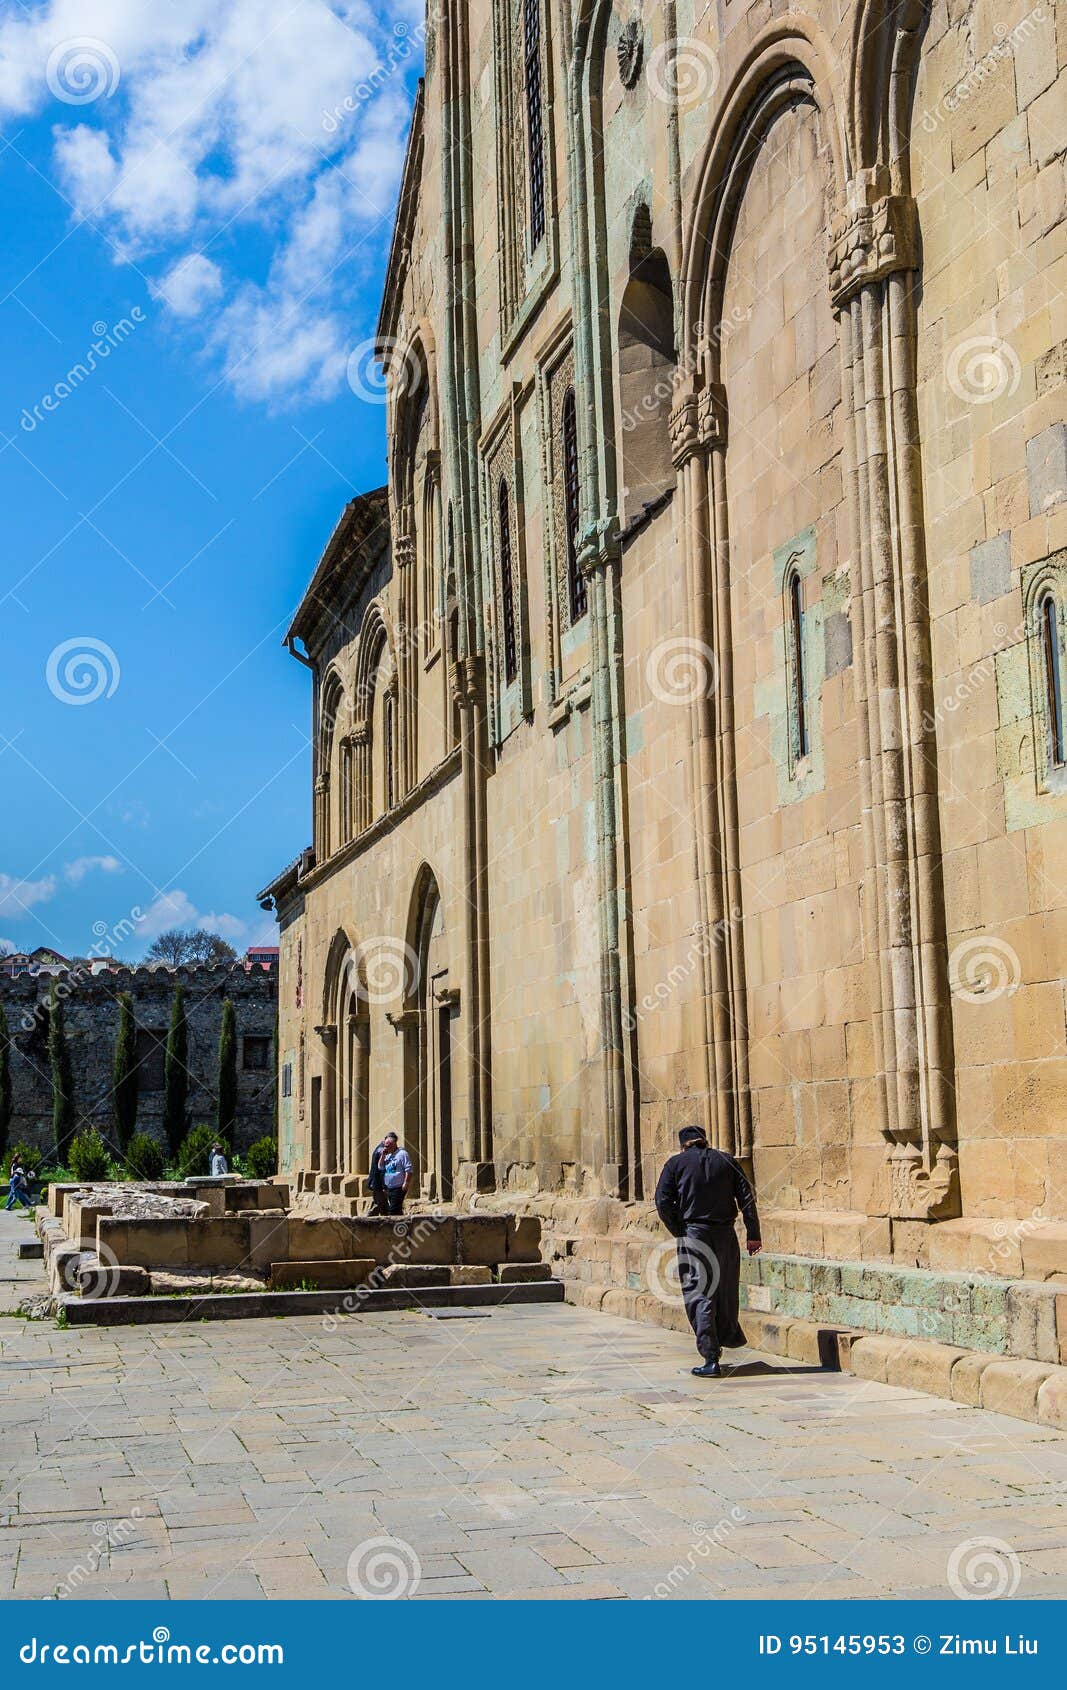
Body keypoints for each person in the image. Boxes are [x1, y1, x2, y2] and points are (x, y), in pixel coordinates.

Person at [654, 1124, 761, 1378]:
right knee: (724, 1288)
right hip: (726, 1234)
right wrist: (753, 1234)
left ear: (684, 1144)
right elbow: (747, 1198)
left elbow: (661, 1201)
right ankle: (725, 1338)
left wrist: (679, 1229)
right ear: (704, 1140)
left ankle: (710, 1357)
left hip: (695, 1234)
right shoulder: (726, 1160)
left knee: (699, 1292)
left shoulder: (675, 1164)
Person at [378, 1132, 412, 1215]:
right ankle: (403, 1226)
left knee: (393, 1210)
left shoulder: (402, 1154)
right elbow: (380, 1167)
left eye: (387, 1146)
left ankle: (394, 1227)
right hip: (389, 1187)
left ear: (394, 1144)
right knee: (397, 1210)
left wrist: (406, 1182)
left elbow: (409, 1169)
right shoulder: (387, 1155)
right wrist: (382, 1155)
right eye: (384, 1146)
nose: (385, 1148)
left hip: (399, 1187)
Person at [367, 1137, 387, 1215]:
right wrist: (384, 1185)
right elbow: (381, 1170)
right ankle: (367, 1220)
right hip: (378, 1183)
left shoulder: (379, 1148)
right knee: (379, 1204)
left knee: (383, 1205)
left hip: (376, 1182)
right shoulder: (381, 1151)